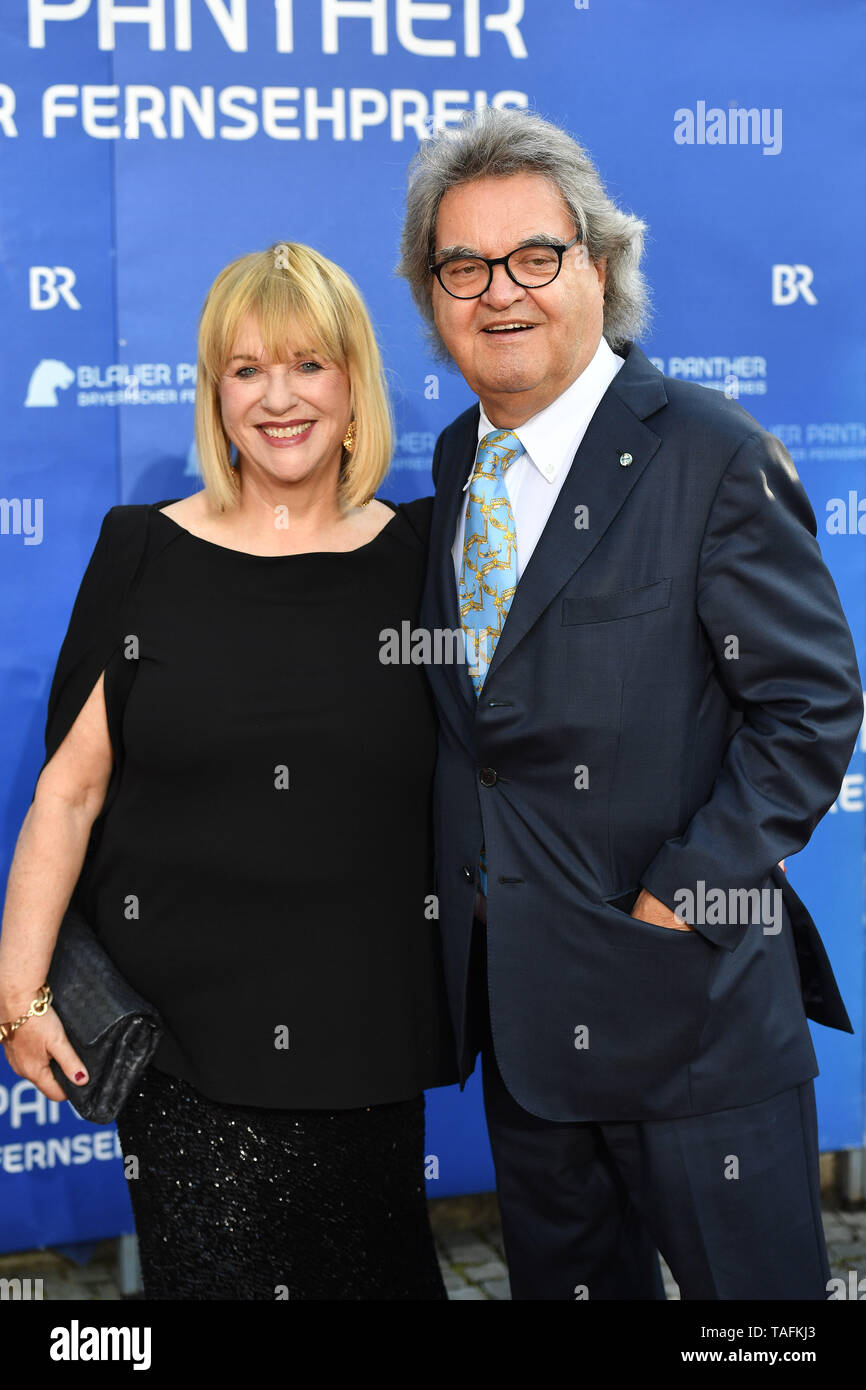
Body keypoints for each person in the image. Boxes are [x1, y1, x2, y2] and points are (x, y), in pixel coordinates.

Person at [396, 107, 863, 1301]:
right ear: (433, 295)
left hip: (690, 1018)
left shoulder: (707, 454)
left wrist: (674, 900)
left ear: (597, 266)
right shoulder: (455, 463)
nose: (500, 291)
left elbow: (807, 707)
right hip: (526, 1038)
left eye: (534, 256)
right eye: (463, 265)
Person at [0, 241, 457, 1300]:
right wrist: (20, 997)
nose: (278, 396)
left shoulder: (420, 558)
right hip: (182, 1059)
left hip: (370, 1045)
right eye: (245, 369)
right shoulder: (140, 554)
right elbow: (67, 792)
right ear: (214, 394)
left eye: (307, 364)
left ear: (353, 383)